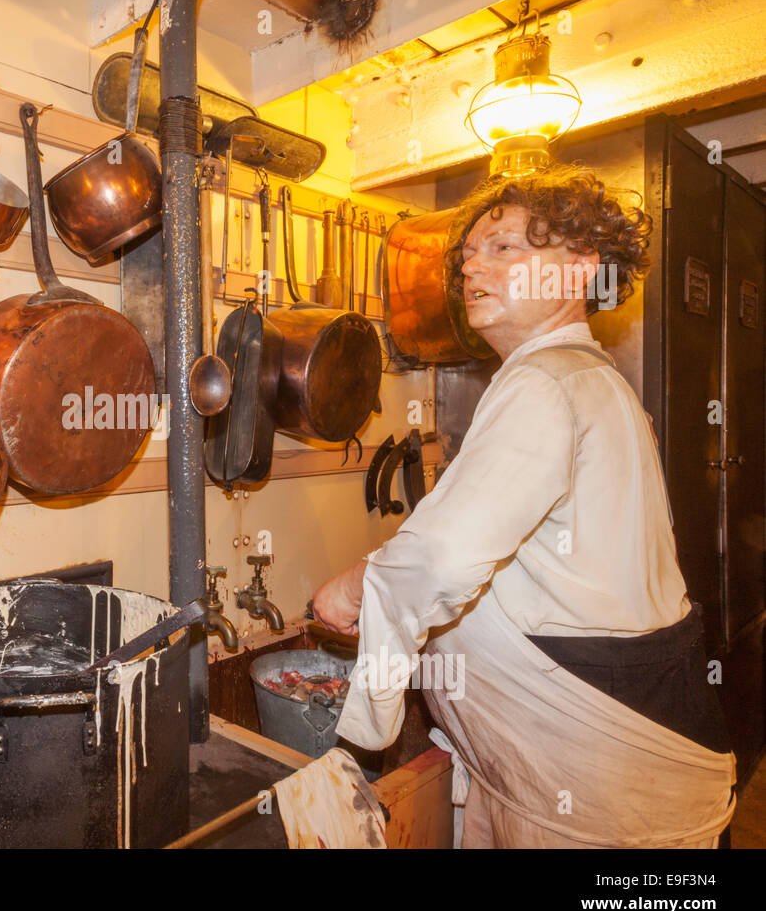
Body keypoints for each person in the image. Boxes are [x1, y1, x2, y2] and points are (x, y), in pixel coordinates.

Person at [311, 164, 735, 847]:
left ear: (578, 272)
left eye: (504, 246)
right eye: (470, 253)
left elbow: (440, 559)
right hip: (566, 770)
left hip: (594, 783)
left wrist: (356, 585)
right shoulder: (595, 380)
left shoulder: (547, 380)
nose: (473, 264)